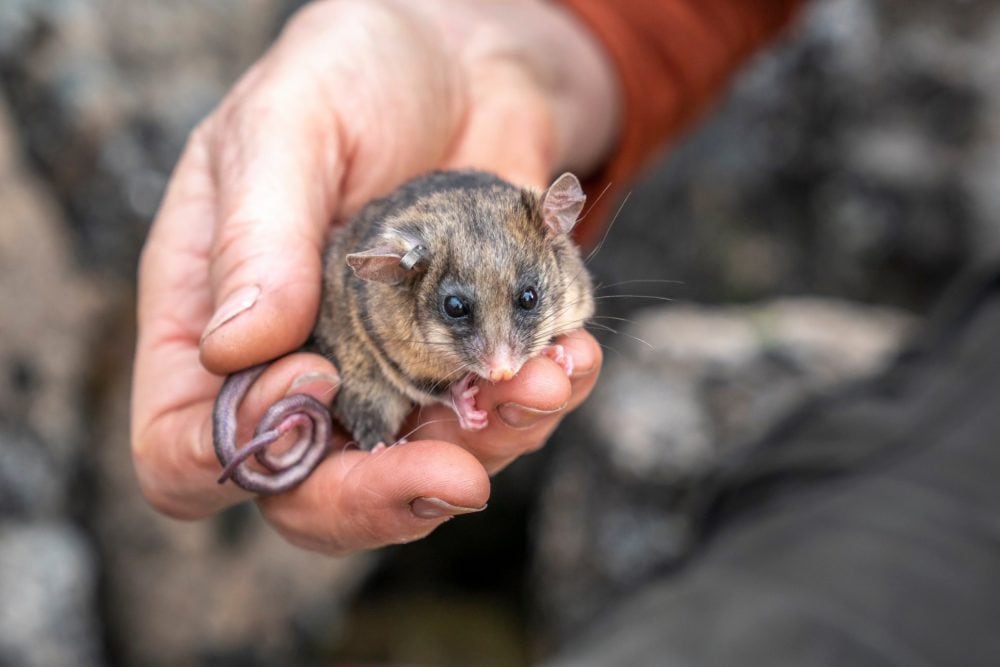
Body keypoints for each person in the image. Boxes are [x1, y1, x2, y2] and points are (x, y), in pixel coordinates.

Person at [132, 0, 799, 553]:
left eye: (528, 300)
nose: (503, 360)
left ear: (554, 230)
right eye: (458, 311)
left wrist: (534, 343)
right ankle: (361, 431)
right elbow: (393, 347)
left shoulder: (545, 244)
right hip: (369, 349)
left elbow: (571, 304)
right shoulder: (394, 281)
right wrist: (448, 392)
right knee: (371, 397)